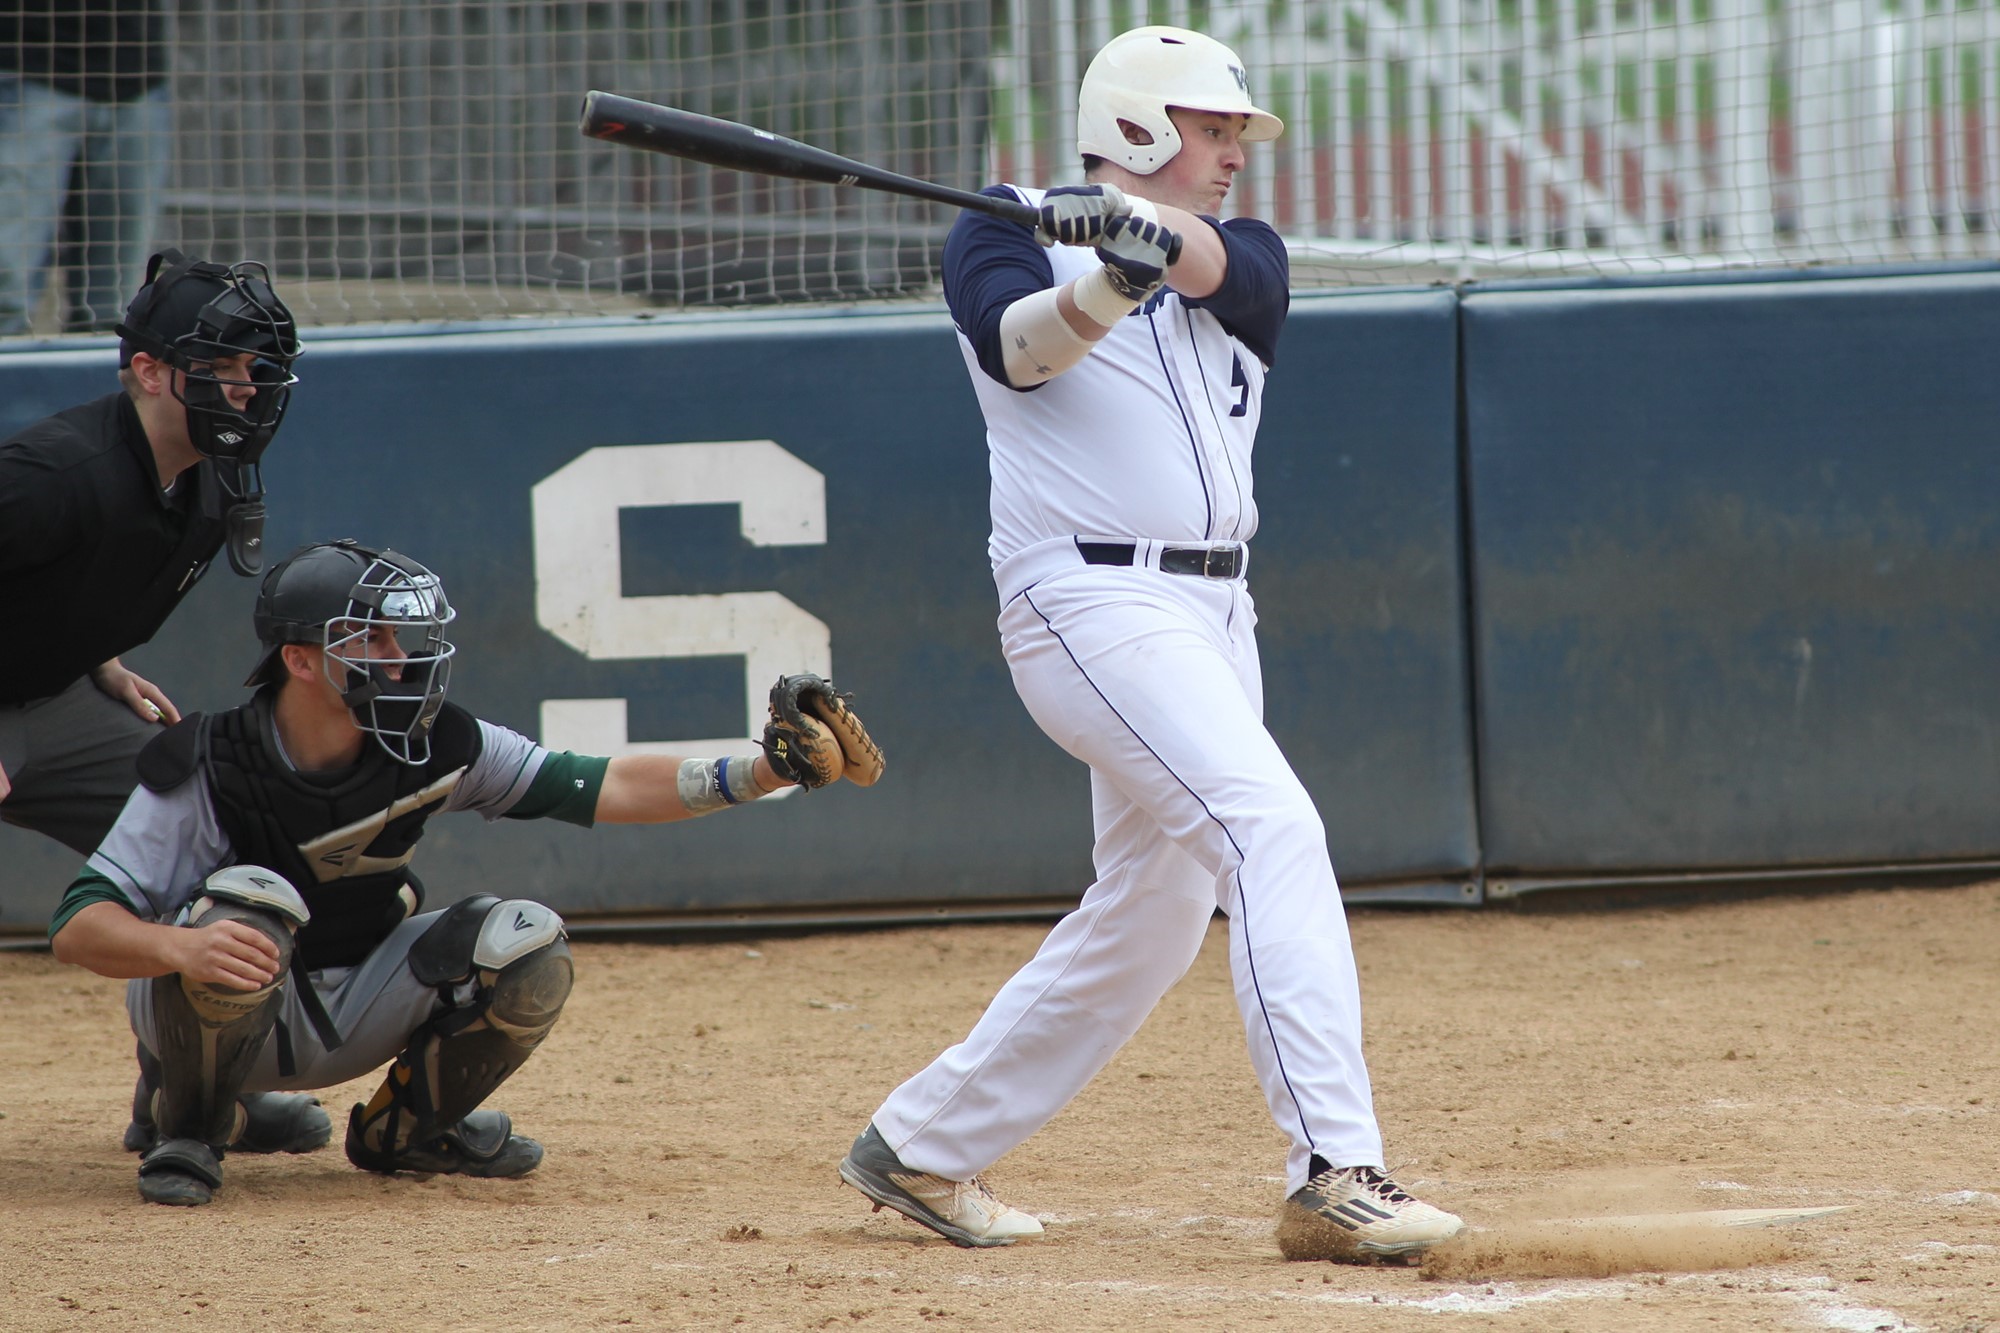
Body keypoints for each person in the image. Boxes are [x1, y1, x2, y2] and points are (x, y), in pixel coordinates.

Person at [836, 26, 1467, 1264]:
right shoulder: (994, 235)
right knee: (1267, 828)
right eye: (1212, 128)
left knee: (1154, 909)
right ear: (1138, 126)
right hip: (1084, 601)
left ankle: (922, 1142)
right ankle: (1332, 1170)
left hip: (1218, 613)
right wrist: (1098, 275)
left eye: (1236, 132)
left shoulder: (1249, 256)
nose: (1234, 151)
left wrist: (1134, 237)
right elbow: (1018, 353)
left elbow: (1225, 270)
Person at [49, 539, 883, 1207]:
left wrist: (760, 772)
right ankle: (189, 1123)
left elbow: (600, 782)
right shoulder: (207, 761)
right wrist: (180, 949)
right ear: (301, 660)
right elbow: (79, 924)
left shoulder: (440, 741)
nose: (400, 658)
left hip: (354, 997)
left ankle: (408, 1130)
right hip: (213, 999)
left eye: (401, 638)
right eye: (367, 640)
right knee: (249, 904)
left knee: (527, 942)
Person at [0, 249, 298, 857]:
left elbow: (58, 577)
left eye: (254, 365)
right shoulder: (55, 473)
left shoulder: (217, 480)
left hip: (50, 697)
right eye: (220, 365)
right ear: (152, 371)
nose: (245, 387)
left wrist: (92, 654)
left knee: (226, 837)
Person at [0, 0, 172, 335]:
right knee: (7, 286)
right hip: (27, 65)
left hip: (135, 72)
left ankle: (106, 380)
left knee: (117, 309)